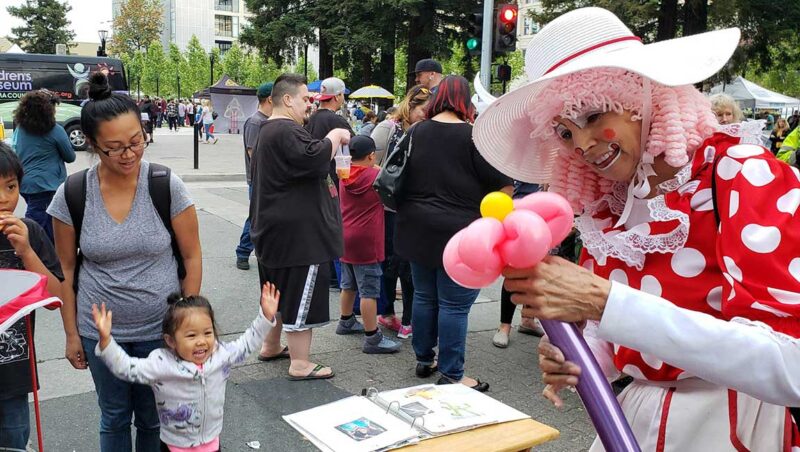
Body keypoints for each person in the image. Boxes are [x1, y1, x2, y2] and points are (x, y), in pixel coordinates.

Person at [471, 7, 799, 449]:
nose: (583, 145)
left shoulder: (741, 173)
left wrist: (604, 301)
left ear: (645, 95)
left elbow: (790, 362)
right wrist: (584, 362)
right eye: (565, 133)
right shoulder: (610, 207)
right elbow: (626, 346)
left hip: (735, 428)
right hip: (635, 425)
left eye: (591, 115)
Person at [48, 72, 202, 452]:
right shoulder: (73, 193)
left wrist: (187, 323)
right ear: (92, 145)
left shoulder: (166, 184)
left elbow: (192, 255)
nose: (129, 154)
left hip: (159, 330)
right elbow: (65, 269)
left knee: (153, 417)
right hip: (99, 332)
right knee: (114, 415)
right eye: (114, 148)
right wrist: (70, 334)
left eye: (136, 141)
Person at [395, 75, 513, 392]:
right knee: (454, 305)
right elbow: (504, 185)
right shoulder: (474, 137)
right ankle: (452, 373)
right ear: (466, 102)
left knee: (423, 295)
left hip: (416, 227)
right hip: (460, 233)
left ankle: (424, 359)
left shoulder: (416, 131)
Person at [92, 283, 279, 452]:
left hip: (211, 442)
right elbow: (126, 368)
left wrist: (265, 317)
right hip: (174, 446)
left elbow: (246, 344)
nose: (201, 341)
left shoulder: (220, 355)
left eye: (207, 333)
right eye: (191, 336)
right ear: (171, 340)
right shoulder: (161, 364)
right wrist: (107, 342)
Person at [249, 73, 350, 381]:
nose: (310, 105)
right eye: (306, 99)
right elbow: (315, 159)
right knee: (299, 298)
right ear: (288, 99)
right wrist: (334, 137)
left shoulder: (270, 131)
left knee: (278, 296)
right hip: (298, 238)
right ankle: (300, 362)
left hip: (275, 233)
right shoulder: (284, 129)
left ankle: (270, 344)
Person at [0, 143, 63, 451]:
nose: (3, 198)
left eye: (11, 187)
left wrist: (25, 250)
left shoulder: (31, 232)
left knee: (14, 442)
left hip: (13, 374)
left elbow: (54, 298)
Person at [374, 85, 432, 338]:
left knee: (409, 265)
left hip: (415, 208)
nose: (425, 115)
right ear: (410, 106)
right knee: (388, 261)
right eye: (422, 110)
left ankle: (409, 319)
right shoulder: (388, 128)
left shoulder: (427, 131)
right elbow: (371, 162)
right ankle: (386, 312)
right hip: (389, 207)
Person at [336, 135, 401, 354]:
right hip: (366, 240)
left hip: (345, 236)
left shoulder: (342, 172)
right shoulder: (375, 176)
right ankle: (372, 338)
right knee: (369, 291)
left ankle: (345, 321)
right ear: (371, 155)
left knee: (349, 284)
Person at [306, 77, 355, 290]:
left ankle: (326, 274)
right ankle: (336, 277)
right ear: (337, 96)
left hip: (316, 180)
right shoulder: (338, 122)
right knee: (334, 227)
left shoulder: (312, 119)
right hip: (334, 181)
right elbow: (356, 147)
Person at [12, 89, 76, 242]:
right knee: (37, 223)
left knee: (45, 222)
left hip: (25, 183)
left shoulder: (20, 129)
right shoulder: (55, 130)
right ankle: (31, 252)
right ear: (48, 110)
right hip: (46, 186)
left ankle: (47, 253)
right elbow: (70, 157)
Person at [236, 82, 273, 272]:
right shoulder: (255, 121)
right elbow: (253, 152)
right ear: (269, 99)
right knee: (256, 218)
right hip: (258, 180)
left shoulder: (267, 120)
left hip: (266, 179)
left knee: (263, 217)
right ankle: (242, 251)